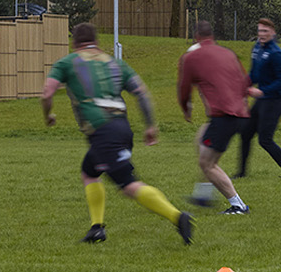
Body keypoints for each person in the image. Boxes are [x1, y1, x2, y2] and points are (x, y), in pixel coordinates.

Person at [42, 23, 192, 245]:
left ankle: (178, 217)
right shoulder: (114, 63)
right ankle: (96, 228)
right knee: (89, 172)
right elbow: (141, 93)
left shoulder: (67, 62)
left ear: (74, 42)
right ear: (96, 41)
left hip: (104, 133)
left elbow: (46, 93)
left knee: (128, 185)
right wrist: (150, 125)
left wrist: (48, 116)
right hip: (121, 127)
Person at [177, 21, 252, 214]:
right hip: (239, 114)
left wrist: (186, 107)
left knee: (207, 163)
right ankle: (203, 194)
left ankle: (238, 205)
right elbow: (245, 83)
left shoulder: (192, 57)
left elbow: (184, 89)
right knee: (201, 141)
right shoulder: (228, 53)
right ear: (213, 37)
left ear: (196, 37)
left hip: (224, 116)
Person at [236, 18, 281, 181]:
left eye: (265, 31)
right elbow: (254, 73)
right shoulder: (256, 48)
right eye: (259, 31)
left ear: (273, 33)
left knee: (265, 140)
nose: (262, 34)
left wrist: (261, 91)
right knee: (245, 133)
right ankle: (241, 174)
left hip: (275, 101)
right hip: (262, 101)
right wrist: (244, 85)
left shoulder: (276, 53)